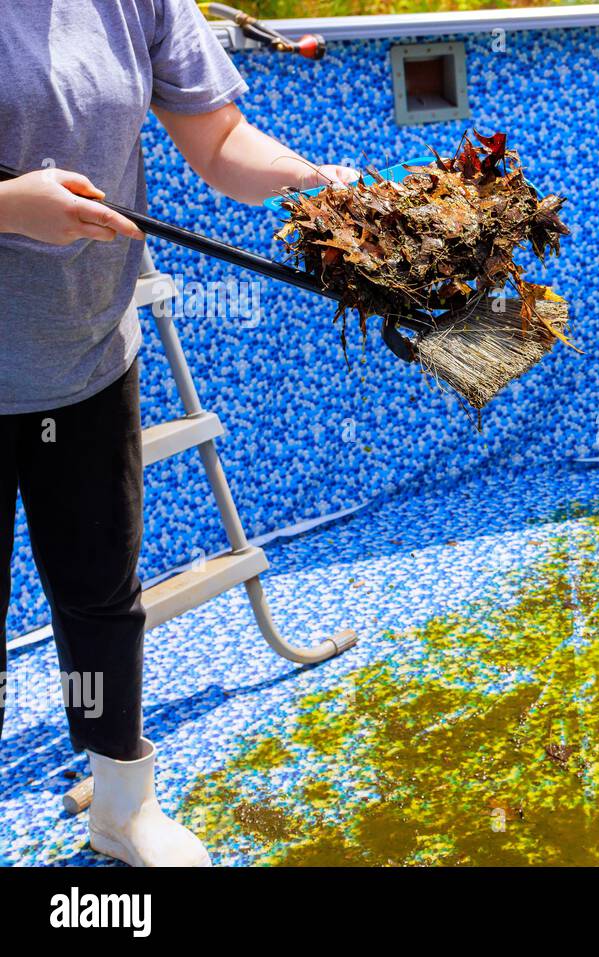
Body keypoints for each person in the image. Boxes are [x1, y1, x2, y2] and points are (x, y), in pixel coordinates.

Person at [0, 0, 357, 866]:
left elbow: (219, 143)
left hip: (86, 355)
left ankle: (120, 802)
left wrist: (316, 181)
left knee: (98, 595)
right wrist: (9, 205)